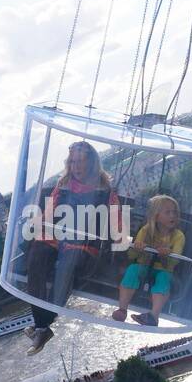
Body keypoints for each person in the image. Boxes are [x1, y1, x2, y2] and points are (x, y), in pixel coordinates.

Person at [23, 141, 120, 354]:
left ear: (92, 163)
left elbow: (115, 224)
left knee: (69, 260)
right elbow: (50, 213)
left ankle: (41, 326)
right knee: (37, 255)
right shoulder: (63, 185)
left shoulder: (105, 191)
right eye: (73, 162)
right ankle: (42, 326)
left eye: (81, 162)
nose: (76, 166)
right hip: (60, 238)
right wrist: (38, 224)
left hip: (85, 245)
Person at [111, 194, 185, 327]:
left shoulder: (178, 236)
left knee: (163, 279)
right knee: (133, 270)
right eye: (168, 212)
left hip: (165, 270)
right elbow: (132, 256)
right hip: (143, 266)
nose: (172, 216)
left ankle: (153, 316)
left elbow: (175, 261)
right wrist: (138, 247)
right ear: (156, 216)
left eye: (175, 212)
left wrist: (166, 255)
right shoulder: (145, 231)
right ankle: (122, 309)